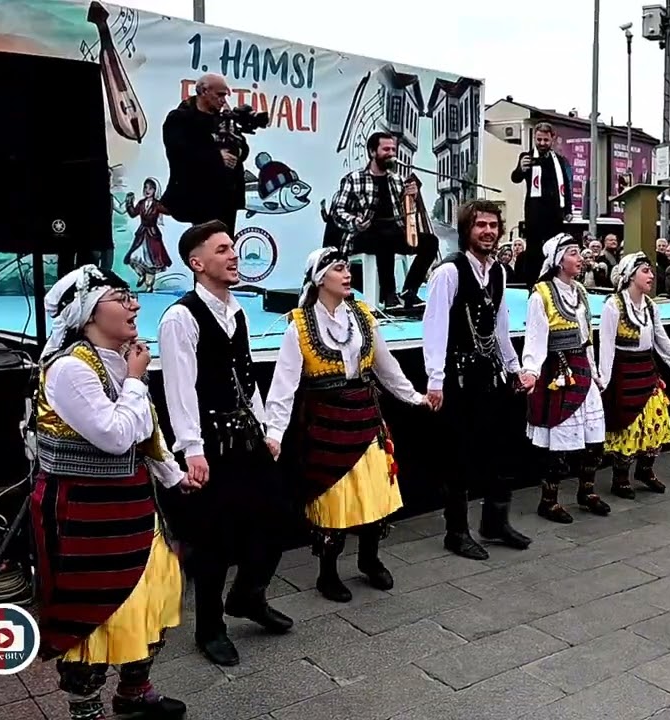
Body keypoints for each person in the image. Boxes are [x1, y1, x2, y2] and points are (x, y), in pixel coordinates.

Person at [31, 265, 196, 720]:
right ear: (86, 312)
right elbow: (116, 435)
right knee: (94, 610)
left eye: (132, 296)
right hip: (83, 510)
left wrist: (172, 475)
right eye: (121, 297)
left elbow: (147, 434)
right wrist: (137, 382)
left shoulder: (121, 361)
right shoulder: (68, 369)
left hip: (133, 502)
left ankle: (134, 690)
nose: (135, 305)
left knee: (148, 597)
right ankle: (85, 707)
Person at [156, 220, 296, 668]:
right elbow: (179, 387)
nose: (234, 255)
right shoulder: (180, 317)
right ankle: (209, 627)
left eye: (233, 247)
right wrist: (191, 449)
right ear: (197, 263)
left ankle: (248, 596)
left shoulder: (235, 310)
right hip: (209, 443)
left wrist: (264, 428)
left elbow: (246, 373)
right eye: (222, 250)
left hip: (246, 436)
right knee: (214, 539)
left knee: (278, 518)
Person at [264, 248, 427, 601]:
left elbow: (386, 366)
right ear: (320, 278)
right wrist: (274, 432)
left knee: (375, 494)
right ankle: (328, 573)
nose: (347, 273)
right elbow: (284, 384)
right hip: (326, 421)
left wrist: (413, 396)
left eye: (347, 267)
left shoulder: (364, 318)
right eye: (339, 269)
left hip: (365, 416)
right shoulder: (300, 326)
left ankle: (370, 560)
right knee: (333, 498)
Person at [422, 199, 531, 560]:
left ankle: (494, 523)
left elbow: (500, 327)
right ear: (466, 230)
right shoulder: (449, 272)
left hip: (490, 374)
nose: (487, 231)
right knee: (459, 455)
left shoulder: (497, 272)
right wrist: (435, 381)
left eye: (493, 225)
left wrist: (514, 368)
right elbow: (434, 328)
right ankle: (456, 532)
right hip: (456, 376)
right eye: (479, 225)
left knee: (499, 448)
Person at [521, 233, 611, 523]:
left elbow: (588, 338)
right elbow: (534, 339)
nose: (580, 257)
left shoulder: (581, 293)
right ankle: (549, 501)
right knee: (558, 444)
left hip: (582, 369)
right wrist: (531, 372)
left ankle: (587, 491)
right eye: (573, 253)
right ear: (559, 260)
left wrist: (595, 372)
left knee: (595, 440)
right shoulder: (542, 294)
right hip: (557, 372)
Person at [598, 252, 670, 498]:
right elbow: (606, 345)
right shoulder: (613, 304)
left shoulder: (650, 306)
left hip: (647, 371)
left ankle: (645, 471)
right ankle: (620, 478)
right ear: (630, 276)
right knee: (628, 426)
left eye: (650, 271)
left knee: (655, 421)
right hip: (624, 372)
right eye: (645, 271)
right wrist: (603, 380)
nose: (651, 276)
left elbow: (662, 339)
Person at [327, 132, 431, 309]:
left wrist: (411, 197)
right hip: (362, 235)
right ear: (372, 152)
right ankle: (389, 297)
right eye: (386, 149)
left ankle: (409, 292)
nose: (391, 153)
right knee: (384, 237)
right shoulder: (354, 178)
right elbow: (338, 211)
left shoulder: (397, 180)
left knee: (430, 242)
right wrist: (355, 221)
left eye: (393, 149)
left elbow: (406, 213)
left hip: (392, 233)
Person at [160, 73, 244, 230]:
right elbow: (179, 152)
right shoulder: (180, 118)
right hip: (197, 195)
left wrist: (237, 149)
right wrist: (217, 157)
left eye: (225, 95)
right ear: (204, 91)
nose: (223, 100)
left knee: (224, 243)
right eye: (219, 95)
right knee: (203, 244)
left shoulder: (224, 119)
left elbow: (242, 148)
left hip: (226, 197)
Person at [511, 122, 574, 286]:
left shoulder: (559, 161)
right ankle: (533, 286)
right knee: (534, 254)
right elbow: (515, 178)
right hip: (534, 215)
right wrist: (521, 169)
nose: (542, 143)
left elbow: (566, 185)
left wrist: (568, 208)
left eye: (545, 140)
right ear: (534, 138)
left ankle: (553, 285)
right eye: (539, 139)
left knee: (555, 253)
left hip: (555, 216)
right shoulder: (527, 156)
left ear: (552, 139)